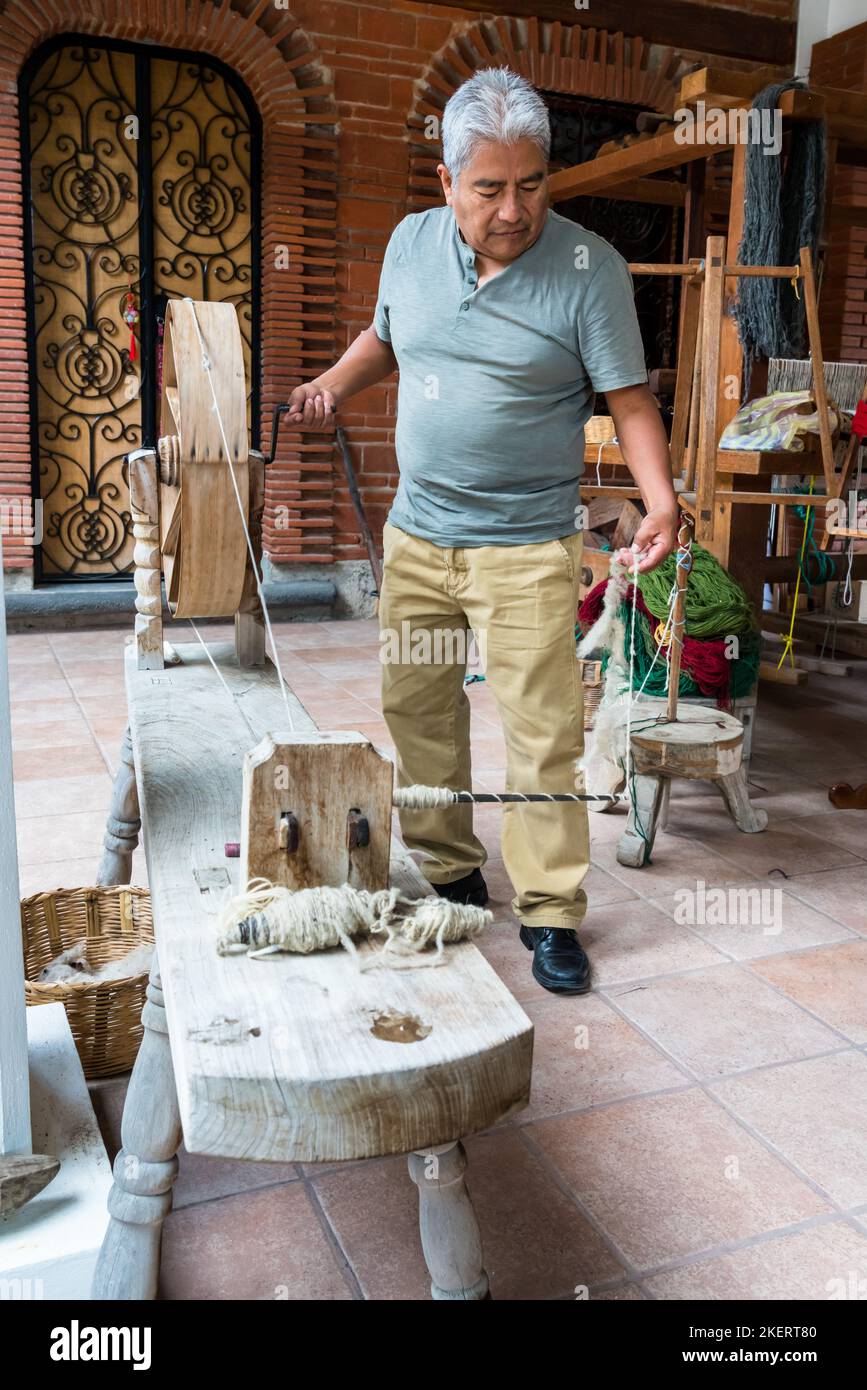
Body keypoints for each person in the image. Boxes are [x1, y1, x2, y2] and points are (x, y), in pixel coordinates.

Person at [286, 67, 678, 994]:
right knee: (418, 708)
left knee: (541, 730)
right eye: (490, 189)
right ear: (445, 183)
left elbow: (627, 401)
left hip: (525, 543)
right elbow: (386, 336)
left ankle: (549, 913)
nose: (513, 210)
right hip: (418, 532)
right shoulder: (411, 244)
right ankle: (454, 872)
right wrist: (330, 387)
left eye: (532, 184)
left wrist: (660, 499)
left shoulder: (591, 270)